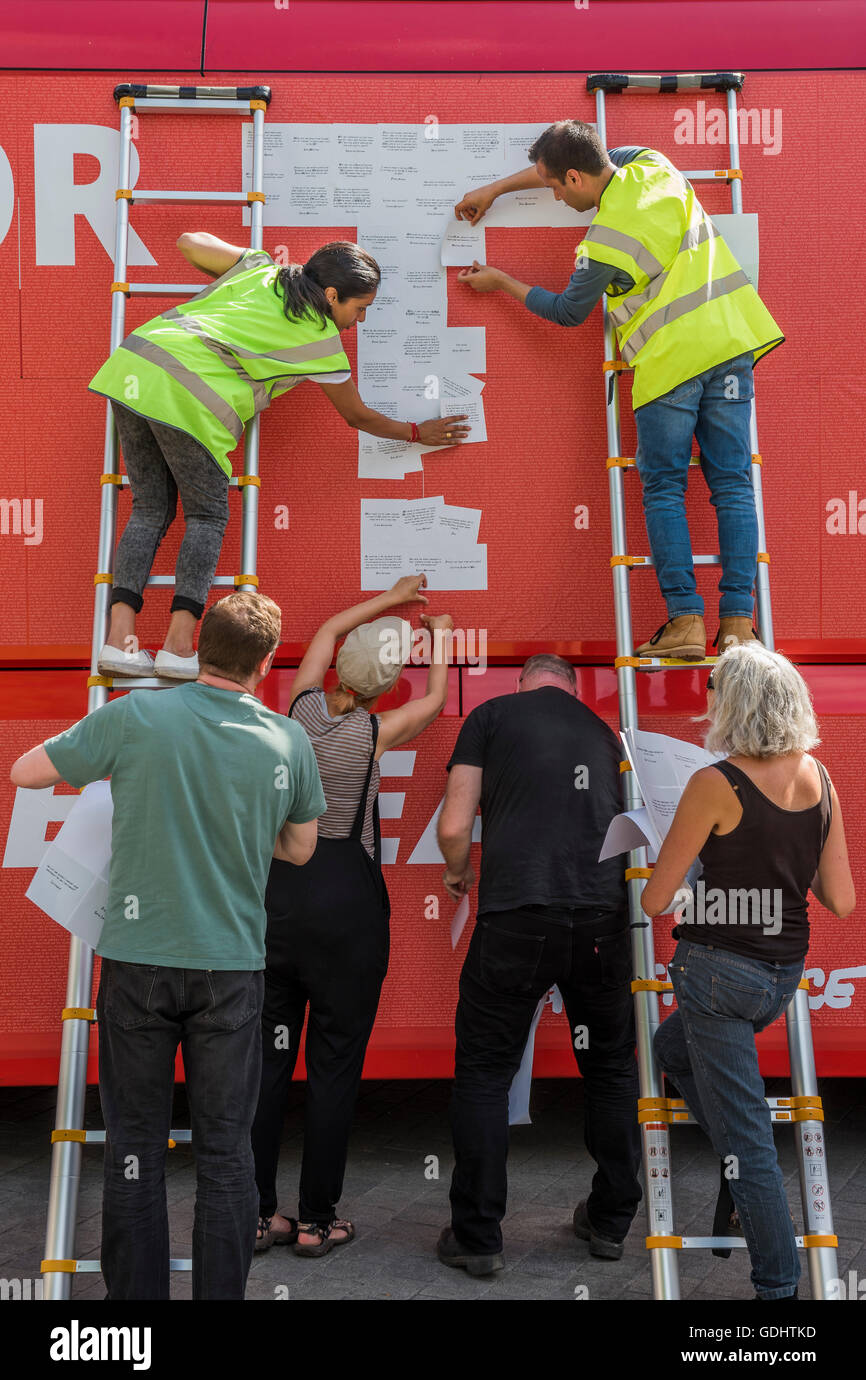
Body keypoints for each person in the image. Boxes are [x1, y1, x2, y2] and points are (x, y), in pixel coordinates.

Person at [11, 593, 327, 1300]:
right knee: (225, 1155)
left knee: (134, 1152)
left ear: (198, 651)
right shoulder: (287, 741)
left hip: (136, 966)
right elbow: (302, 848)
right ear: (267, 664)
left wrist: (116, 767)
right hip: (231, 971)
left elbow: (26, 772)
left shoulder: (135, 716)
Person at [453, 122, 784, 660]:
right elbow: (567, 162)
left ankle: (684, 621)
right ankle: (740, 625)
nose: (555, 197)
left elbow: (566, 312)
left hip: (669, 367)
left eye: (557, 188)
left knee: (663, 490)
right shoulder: (652, 163)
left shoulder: (601, 244)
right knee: (733, 485)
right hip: (731, 345)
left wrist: (502, 281)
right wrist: (495, 189)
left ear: (577, 177)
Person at [89, 236, 470, 682]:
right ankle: (177, 646)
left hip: (133, 367)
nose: (361, 319)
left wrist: (248, 276)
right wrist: (414, 433)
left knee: (151, 509)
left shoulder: (259, 268)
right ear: (331, 296)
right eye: (359, 307)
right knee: (207, 517)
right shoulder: (322, 341)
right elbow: (355, 415)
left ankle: (119, 643)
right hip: (185, 396)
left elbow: (189, 242)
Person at [642, 643, 855, 1301]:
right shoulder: (819, 779)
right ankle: (741, 1180)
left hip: (714, 973)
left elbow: (656, 900)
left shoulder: (714, 783)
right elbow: (842, 900)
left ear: (731, 706)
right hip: (779, 977)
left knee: (751, 1141)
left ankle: (777, 1289)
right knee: (669, 1048)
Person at [252, 573, 454, 1256]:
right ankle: (315, 1221)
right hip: (347, 904)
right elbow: (434, 699)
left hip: (278, 893)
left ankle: (256, 1213)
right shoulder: (377, 730)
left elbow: (333, 628)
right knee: (334, 1066)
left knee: (266, 1061)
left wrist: (393, 600)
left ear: (337, 670)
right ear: (382, 688)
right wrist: (442, 640)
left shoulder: (299, 706)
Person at [435, 654, 641, 1276]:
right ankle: (609, 1221)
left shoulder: (491, 715)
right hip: (602, 921)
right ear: (572, 689)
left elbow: (453, 824)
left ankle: (477, 1237)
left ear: (521, 683)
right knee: (609, 1067)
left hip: (516, 916)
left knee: (483, 1072)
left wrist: (457, 870)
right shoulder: (607, 733)